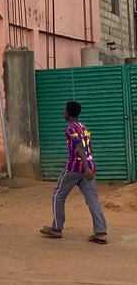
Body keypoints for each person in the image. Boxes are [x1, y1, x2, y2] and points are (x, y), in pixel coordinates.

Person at [40, 100, 108, 244]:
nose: (63, 113)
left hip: (75, 167)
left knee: (58, 195)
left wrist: (85, 166)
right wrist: (89, 165)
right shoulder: (84, 127)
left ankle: (57, 228)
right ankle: (100, 233)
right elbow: (89, 146)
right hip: (89, 165)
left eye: (64, 110)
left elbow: (79, 147)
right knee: (92, 199)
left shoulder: (71, 129)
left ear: (69, 113)